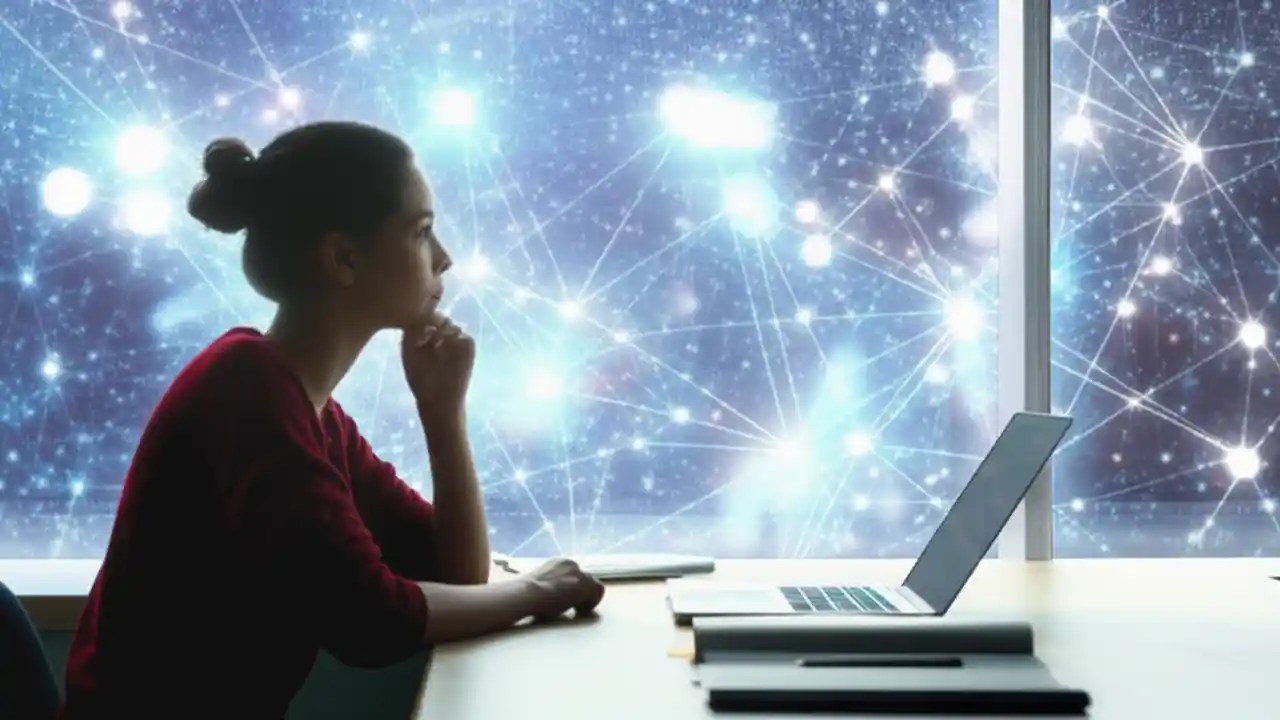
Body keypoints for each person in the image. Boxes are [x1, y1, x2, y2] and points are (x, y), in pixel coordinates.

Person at [59, 121, 605, 719]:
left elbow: (459, 578)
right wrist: (534, 591)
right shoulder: (247, 388)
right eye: (422, 232)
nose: (444, 257)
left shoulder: (314, 416)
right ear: (345, 258)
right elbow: (370, 624)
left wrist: (443, 414)